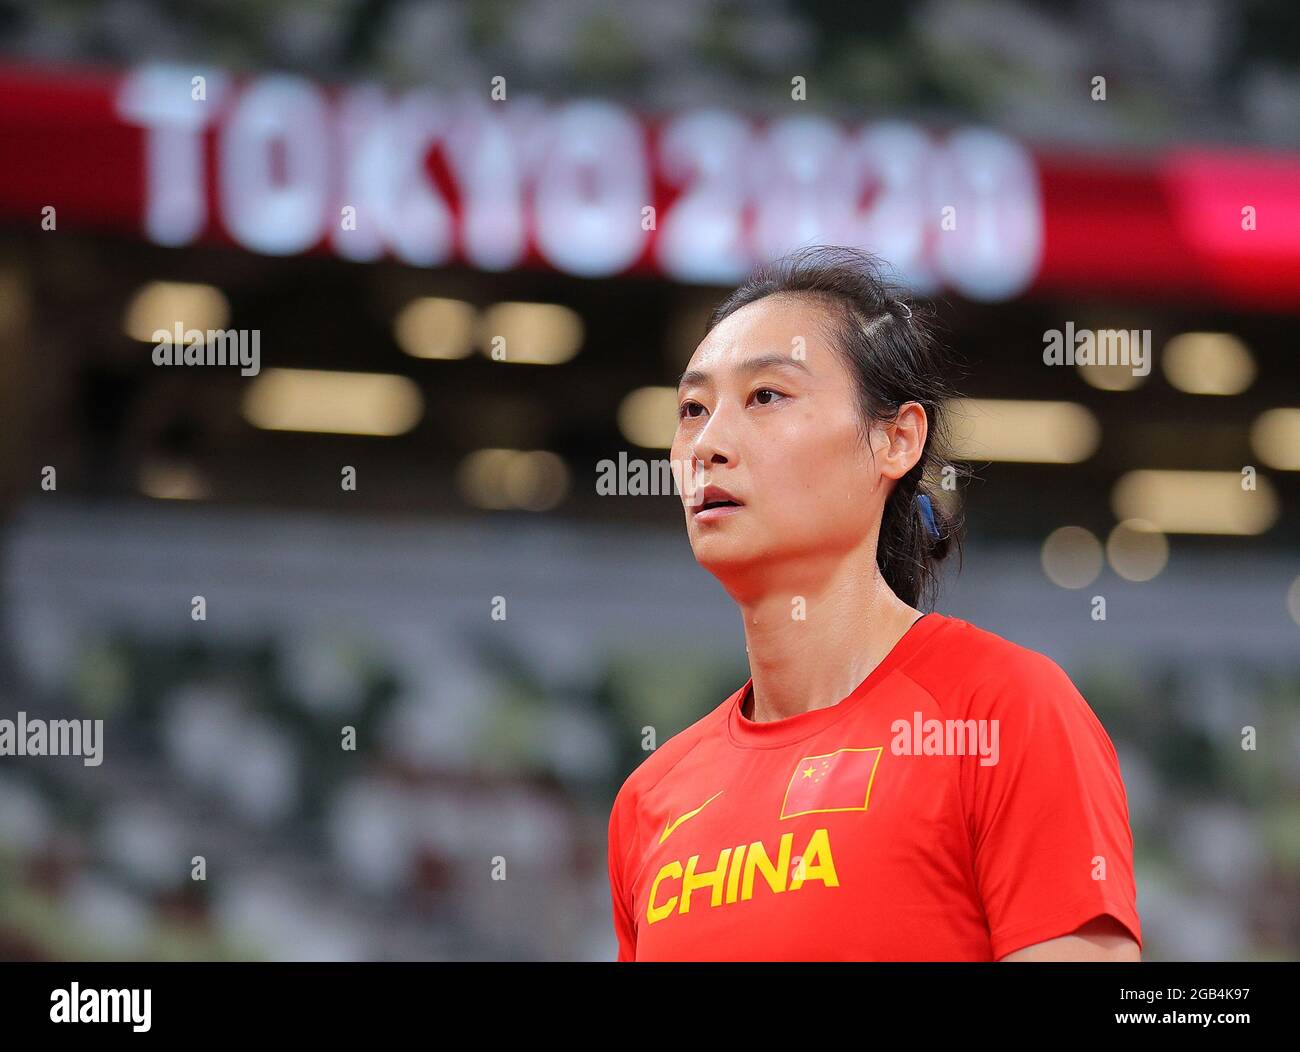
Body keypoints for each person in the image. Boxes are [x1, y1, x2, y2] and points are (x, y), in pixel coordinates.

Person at [606, 245, 1141, 961]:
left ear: (896, 439)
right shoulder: (650, 800)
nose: (708, 443)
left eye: (766, 396)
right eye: (692, 409)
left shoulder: (1004, 714)